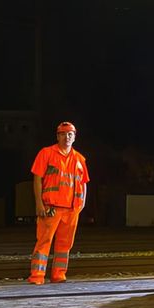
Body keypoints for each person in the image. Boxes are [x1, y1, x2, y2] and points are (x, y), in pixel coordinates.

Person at [29, 121, 89, 284]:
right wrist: (39, 204)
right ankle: (37, 276)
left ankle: (59, 275)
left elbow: (83, 182)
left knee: (65, 245)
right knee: (44, 242)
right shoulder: (46, 153)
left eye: (70, 134)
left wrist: (82, 202)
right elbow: (37, 179)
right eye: (63, 134)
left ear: (74, 137)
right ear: (57, 136)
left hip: (71, 209)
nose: (66, 137)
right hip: (51, 208)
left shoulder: (79, 159)